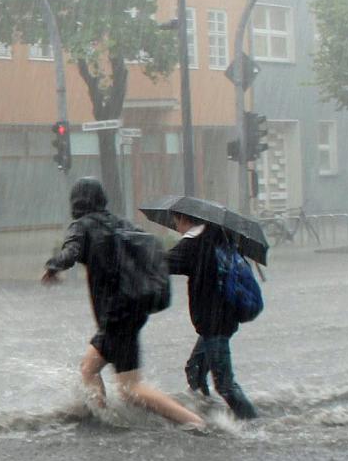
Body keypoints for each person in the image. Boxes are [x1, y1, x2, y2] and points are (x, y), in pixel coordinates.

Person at [41, 178, 204, 430]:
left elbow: (71, 251)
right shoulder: (120, 224)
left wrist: (54, 266)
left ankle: (193, 421)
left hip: (117, 315)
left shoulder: (82, 226)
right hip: (131, 309)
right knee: (89, 367)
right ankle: (101, 415)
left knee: (131, 388)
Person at [165, 215, 260, 420]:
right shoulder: (218, 237)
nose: (175, 225)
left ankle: (252, 423)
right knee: (195, 370)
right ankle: (208, 412)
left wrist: (136, 252)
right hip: (224, 318)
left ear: (184, 219)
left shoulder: (193, 243)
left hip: (214, 323)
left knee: (225, 385)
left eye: (176, 221)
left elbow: (164, 263)